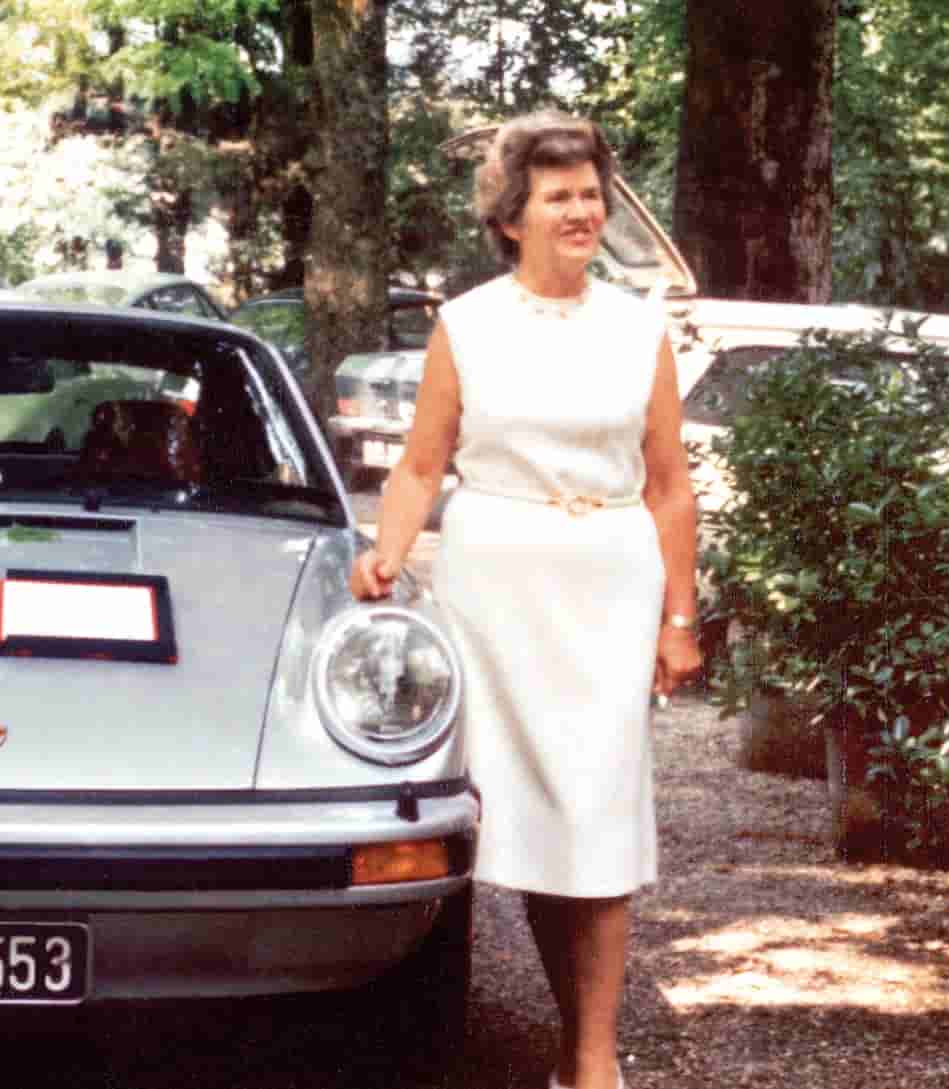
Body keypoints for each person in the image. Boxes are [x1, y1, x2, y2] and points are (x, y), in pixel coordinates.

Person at [349, 110, 702, 1089]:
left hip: (611, 588)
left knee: (598, 816)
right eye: (560, 197)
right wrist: (382, 554)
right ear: (514, 217)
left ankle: (592, 1060)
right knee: (540, 826)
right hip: (496, 596)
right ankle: (573, 1032)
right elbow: (421, 469)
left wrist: (681, 617)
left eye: (591, 193)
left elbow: (671, 485)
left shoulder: (640, 328)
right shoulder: (464, 323)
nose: (583, 211)